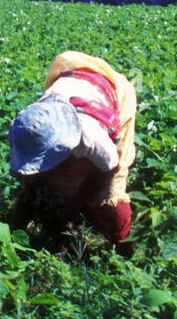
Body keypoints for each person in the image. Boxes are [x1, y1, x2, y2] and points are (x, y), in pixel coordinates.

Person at [8, 51, 137, 247]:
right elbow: (31, 178)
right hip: (74, 86)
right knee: (44, 183)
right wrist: (12, 232)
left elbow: (110, 167)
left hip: (115, 96)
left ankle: (121, 245)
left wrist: (73, 208)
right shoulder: (27, 126)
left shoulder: (89, 136)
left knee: (113, 210)